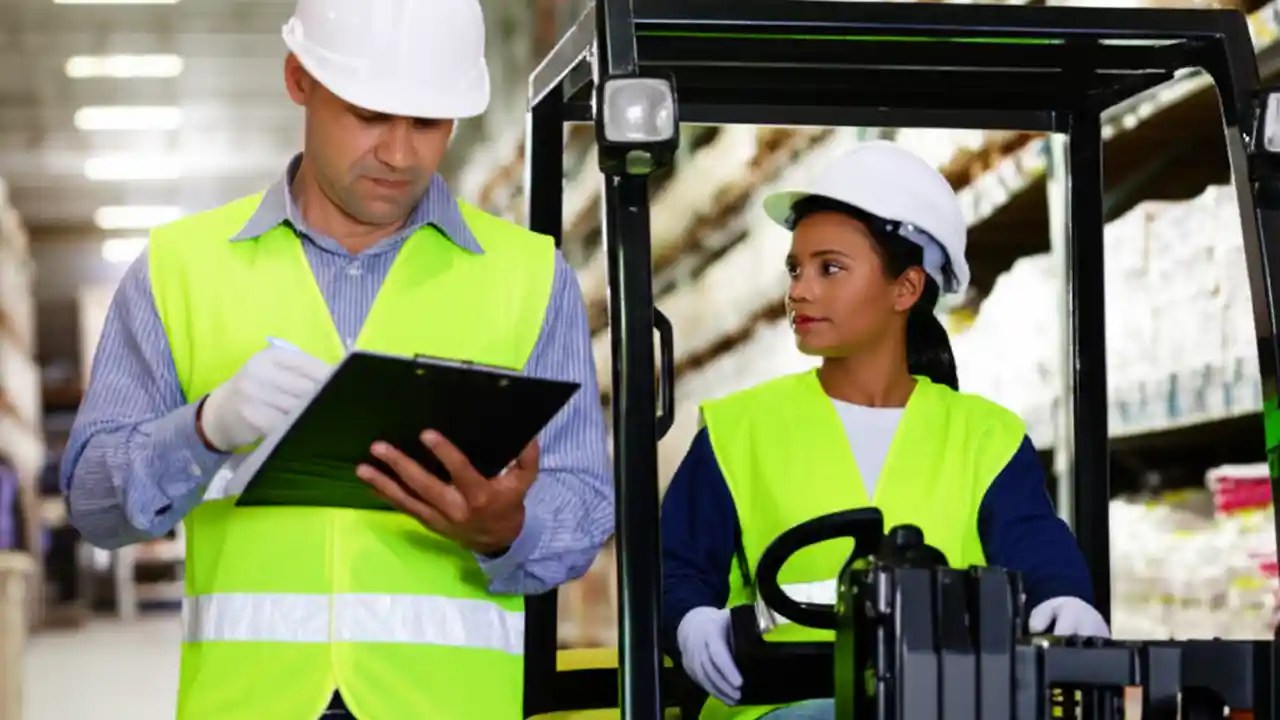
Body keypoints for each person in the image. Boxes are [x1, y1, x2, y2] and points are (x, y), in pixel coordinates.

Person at [60, 1, 612, 718]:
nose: (400, 153)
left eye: (428, 122)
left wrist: (507, 530)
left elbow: (585, 504)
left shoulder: (530, 279)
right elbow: (96, 508)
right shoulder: (178, 270)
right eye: (371, 114)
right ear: (299, 78)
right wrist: (200, 430)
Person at [660, 141, 1108, 720]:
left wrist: (1066, 600)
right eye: (796, 268)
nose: (800, 289)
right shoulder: (737, 429)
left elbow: (1038, 550)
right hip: (779, 707)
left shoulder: (985, 439)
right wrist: (692, 621)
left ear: (906, 288)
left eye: (831, 268)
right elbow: (676, 570)